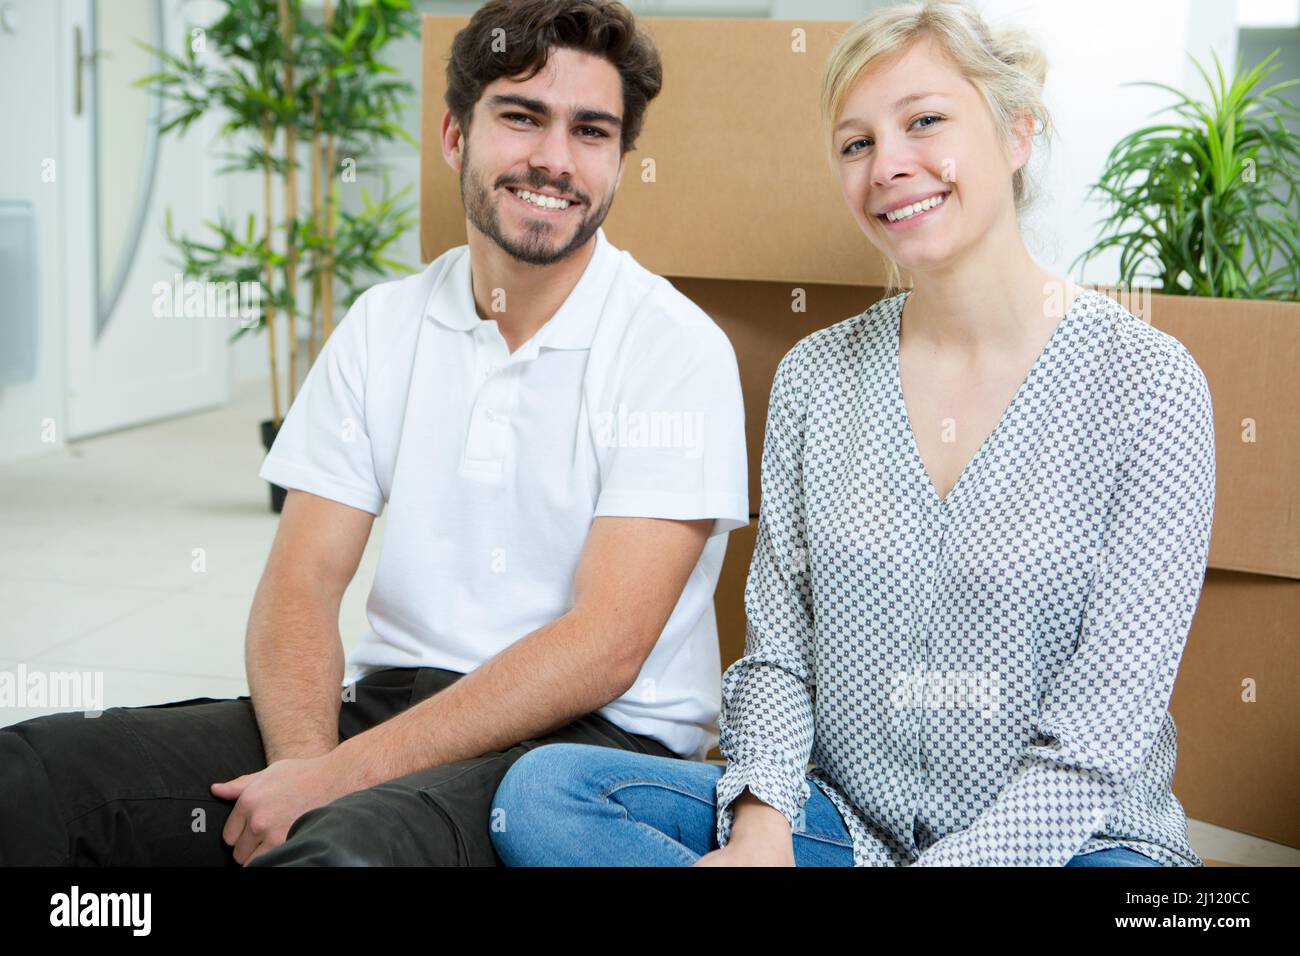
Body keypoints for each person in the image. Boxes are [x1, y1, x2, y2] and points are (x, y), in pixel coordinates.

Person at [0, 0, 748, 867]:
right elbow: (302, 586)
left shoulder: (673, 346)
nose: (553, 158)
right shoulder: (382, 324)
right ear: (454, 136)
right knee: (35, 778)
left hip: (582, 756)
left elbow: (604, 647)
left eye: (590, 131)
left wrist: (335, 788)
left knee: (343, 856)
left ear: (619, 161)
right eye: (520, 116)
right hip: (390, 710)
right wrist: (307, 771)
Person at [488, 0, 1216, 867]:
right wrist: (761, 824)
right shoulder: (815, 378)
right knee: (544, 795)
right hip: (844, 833)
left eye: (925, 122)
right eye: (857, 143)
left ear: (1017, 133)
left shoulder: (1152, 385)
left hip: (1076, 847)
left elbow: (1100, 740)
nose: (888, 167)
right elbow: (779, 658)